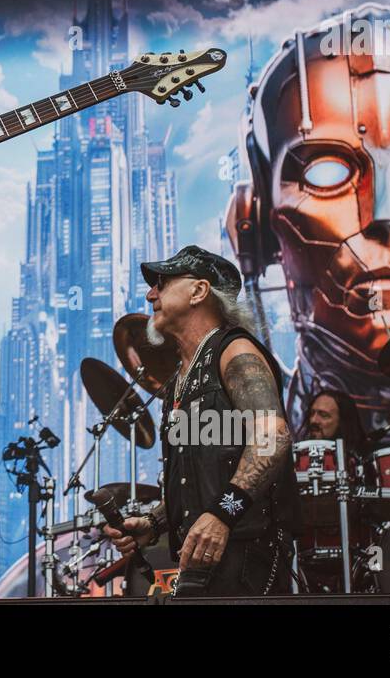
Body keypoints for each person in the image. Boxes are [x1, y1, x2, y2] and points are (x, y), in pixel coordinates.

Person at [104, 245, 298, 597]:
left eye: (161, 283)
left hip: (247, 558)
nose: (151, 294)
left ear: (199, 291)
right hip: (201, 561)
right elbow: (199, 480)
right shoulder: (179, 379)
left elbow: (273, 438)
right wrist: (153, 523)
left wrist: (223, 515)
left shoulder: (235, 352)